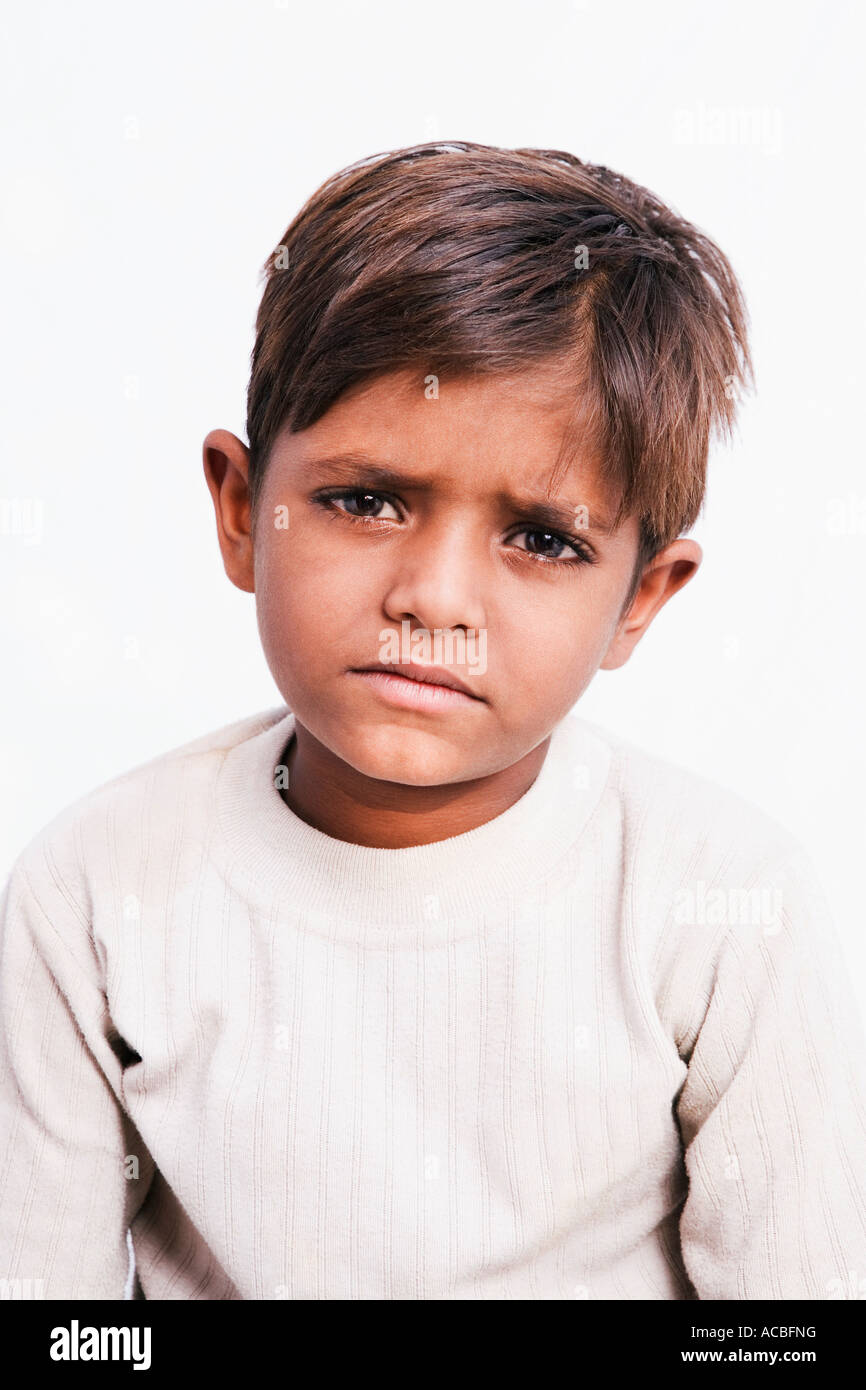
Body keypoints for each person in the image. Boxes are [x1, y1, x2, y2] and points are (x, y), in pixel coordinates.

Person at [2, 140, 864, 1300]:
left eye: (542, 539)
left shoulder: (721, 911)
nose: (435, 598)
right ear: (243, 510)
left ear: (638, 600)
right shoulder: (95, 895)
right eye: (364, 500)